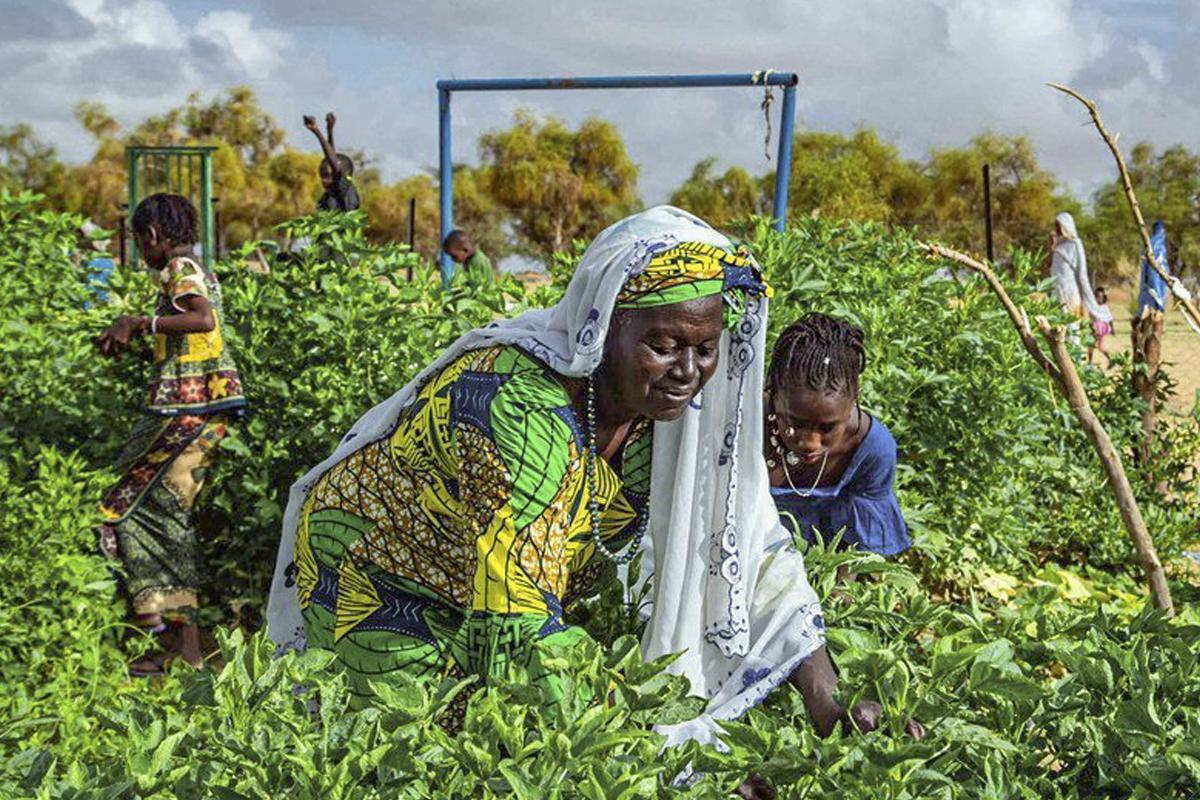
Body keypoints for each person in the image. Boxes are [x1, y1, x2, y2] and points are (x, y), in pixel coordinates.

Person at [268, 206, 899, 750]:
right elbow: (516, 623)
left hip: (494, 594)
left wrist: (828, 703)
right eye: (664, 345)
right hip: (379, 579)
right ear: (603, 326)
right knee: (425, 750)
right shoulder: (512, 408)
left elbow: (750, 546)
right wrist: (666, 753)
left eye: (704, 349)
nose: (687, 370)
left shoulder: (673, 413)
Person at [96, 193, 247, 676]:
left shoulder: (179, 268)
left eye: (141, 242)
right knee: (165, 515)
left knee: (120, 501)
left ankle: (160, 629)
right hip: (204, 411)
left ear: (155, 236)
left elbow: (202, 318)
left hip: (185, 413)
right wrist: (146, 339)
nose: (143, 252)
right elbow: (195, 338)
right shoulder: (194, 268)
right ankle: (177, 641)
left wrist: (137, 322)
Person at [764, 314, 909, 558]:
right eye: (795, 423)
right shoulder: (742, 426)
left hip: (818, 573)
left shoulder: (870, 449)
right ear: (771, 389)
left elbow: (853, 552)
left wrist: (831, 595)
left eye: (827, 428)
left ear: (853, 401)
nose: (810, 443)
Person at [1047, 211, 1103, 323]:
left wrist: (1084, 293)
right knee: (1057, 326)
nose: (1056, 229)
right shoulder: (1058, 246)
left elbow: (1081, 271)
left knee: (1071, 326)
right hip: (1056, 290)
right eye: (1056, 226)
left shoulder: (1075, 244)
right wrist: (1051, 246)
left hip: (1070, 291)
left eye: (1059, 225)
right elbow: (1048, 265)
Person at [305, 112, 360, 213]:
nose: (323, 181)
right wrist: (329, 130)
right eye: (322, 177)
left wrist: (316, 131)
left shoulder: (343, 189)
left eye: (327, 177)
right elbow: (332, 161)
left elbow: (334, 164)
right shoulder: (335, 192)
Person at [1137, 220, 1170, 318]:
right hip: (1157, 278)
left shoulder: (1148, 245)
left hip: (1148, 280)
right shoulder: (1158, 245)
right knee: (1156, 298)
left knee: (1148, 300)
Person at [1089, 286, 1114, 365]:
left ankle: (1110, 359)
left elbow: (1109, 318)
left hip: (1100, 328)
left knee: (1093, 345)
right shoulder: (1093, 307)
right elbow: (1091, 318)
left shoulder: (1105, 307)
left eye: (1100, 297)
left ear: (1103, 298)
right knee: (1097, 346)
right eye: (1096, 296)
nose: (1098, 299)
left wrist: (1113, 329)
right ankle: (1090, 362)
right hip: (1094, 328)